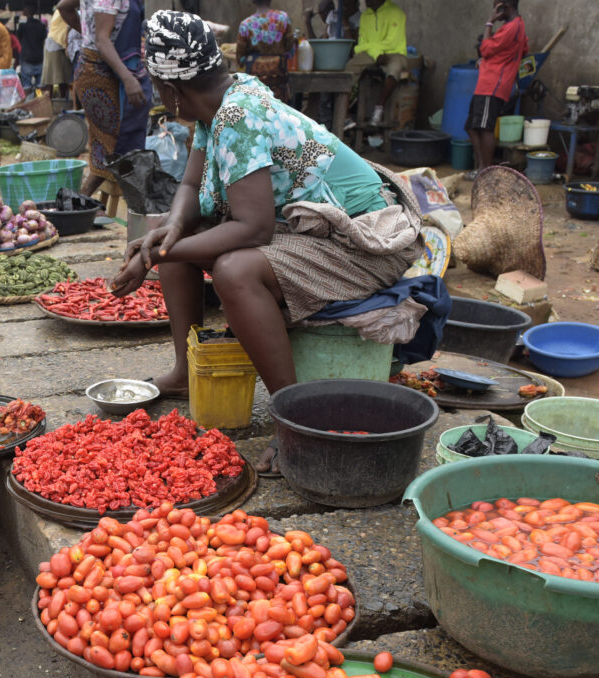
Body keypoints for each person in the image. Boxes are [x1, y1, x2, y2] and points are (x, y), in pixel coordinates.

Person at [112, 12, 418, 471]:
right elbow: (191, 188)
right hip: (312, 229)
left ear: (170, 89)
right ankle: (183, 373)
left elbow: (253, 229)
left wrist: (157, 251)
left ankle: (294, 418)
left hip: (364, 241)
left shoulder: (238, 115)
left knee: (235, 270)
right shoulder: (213, 105)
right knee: (180, 245)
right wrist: (168, 234)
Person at [58, 0, 150, 194]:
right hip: (99, 72)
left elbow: (64, 7)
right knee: (116, 141)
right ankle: (83, 199)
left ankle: (85, 201)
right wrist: (128, 79)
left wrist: (88, 34)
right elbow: (101, 40)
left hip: (101, 67)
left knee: (107, 140)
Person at [468, 0, 527, 174]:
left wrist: (490, 22)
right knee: (471, 126)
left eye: (496, 7)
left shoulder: (511, 28)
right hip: (489, 83)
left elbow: (485, 49)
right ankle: (482, 166)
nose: (494, 10)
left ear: (504, 7)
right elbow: (524, 50)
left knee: (485, 127)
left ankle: (485, 169)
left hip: (492, 84)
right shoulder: (518, 26)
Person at [344, 0, 406, 126]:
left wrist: (374, 50)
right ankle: (345, 116)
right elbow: (362, 43)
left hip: (393, 51)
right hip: (371, 53)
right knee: (349, 69)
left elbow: (392, 42)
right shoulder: (365, 16)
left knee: (395, 69)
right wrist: (376, 54)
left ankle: (379, 109)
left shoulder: (396, 12)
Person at [236, 0, 294, 101]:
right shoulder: (283, 18)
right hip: (278, 77)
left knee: (257, 109)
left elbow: (240, 58)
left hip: (255, 82)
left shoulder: (245, 24)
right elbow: (290, 48)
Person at [43, 8, 71, 99]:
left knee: (61, 78)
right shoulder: (65, 9)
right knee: (55, 78)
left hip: (57, 44)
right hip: (56, 44)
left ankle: (59, 102)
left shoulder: (61, 9)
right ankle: (49, 103)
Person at [16, 14, 47, 91]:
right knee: (39, 88)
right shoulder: (41, 26)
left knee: (27, 87)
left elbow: (19, 39)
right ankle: (39, 101)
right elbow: (44, 40)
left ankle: (29, 101)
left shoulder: (22, 26)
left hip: (27, 59)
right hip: (39, 58)